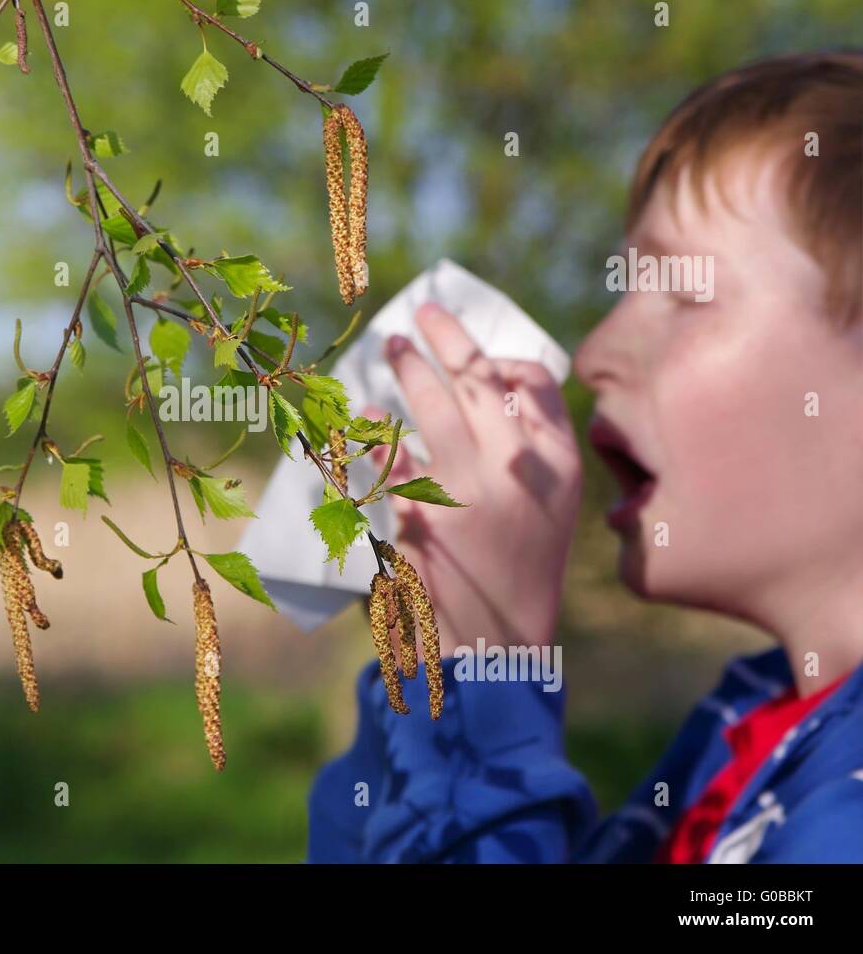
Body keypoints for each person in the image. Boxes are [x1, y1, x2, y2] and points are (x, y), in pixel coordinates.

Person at [307, 51, 863, 863]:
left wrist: (484, 674)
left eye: (683, 296)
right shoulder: (741, 735)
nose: (595, 349)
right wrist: (427, 665)